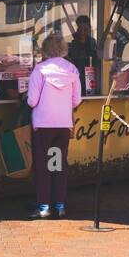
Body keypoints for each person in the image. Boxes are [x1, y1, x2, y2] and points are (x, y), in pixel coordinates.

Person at [27, 34, 82, 219]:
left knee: (43, 166)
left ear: (44, 49)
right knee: (58, 165)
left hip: (43, 125)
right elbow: (76, 101)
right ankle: (59, 205)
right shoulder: (72, 70)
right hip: (63, 125)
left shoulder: (40, 70)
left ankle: (43, 207)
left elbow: (32, 101)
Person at [66, 14, 100, 87]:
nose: (82, 32)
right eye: (80, 29)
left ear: (89, 29)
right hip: (76, 78)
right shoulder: (73, 44)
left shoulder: (92, 43)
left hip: (91, 78)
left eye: (85, 29)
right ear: (77, 29)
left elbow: (97, 61)